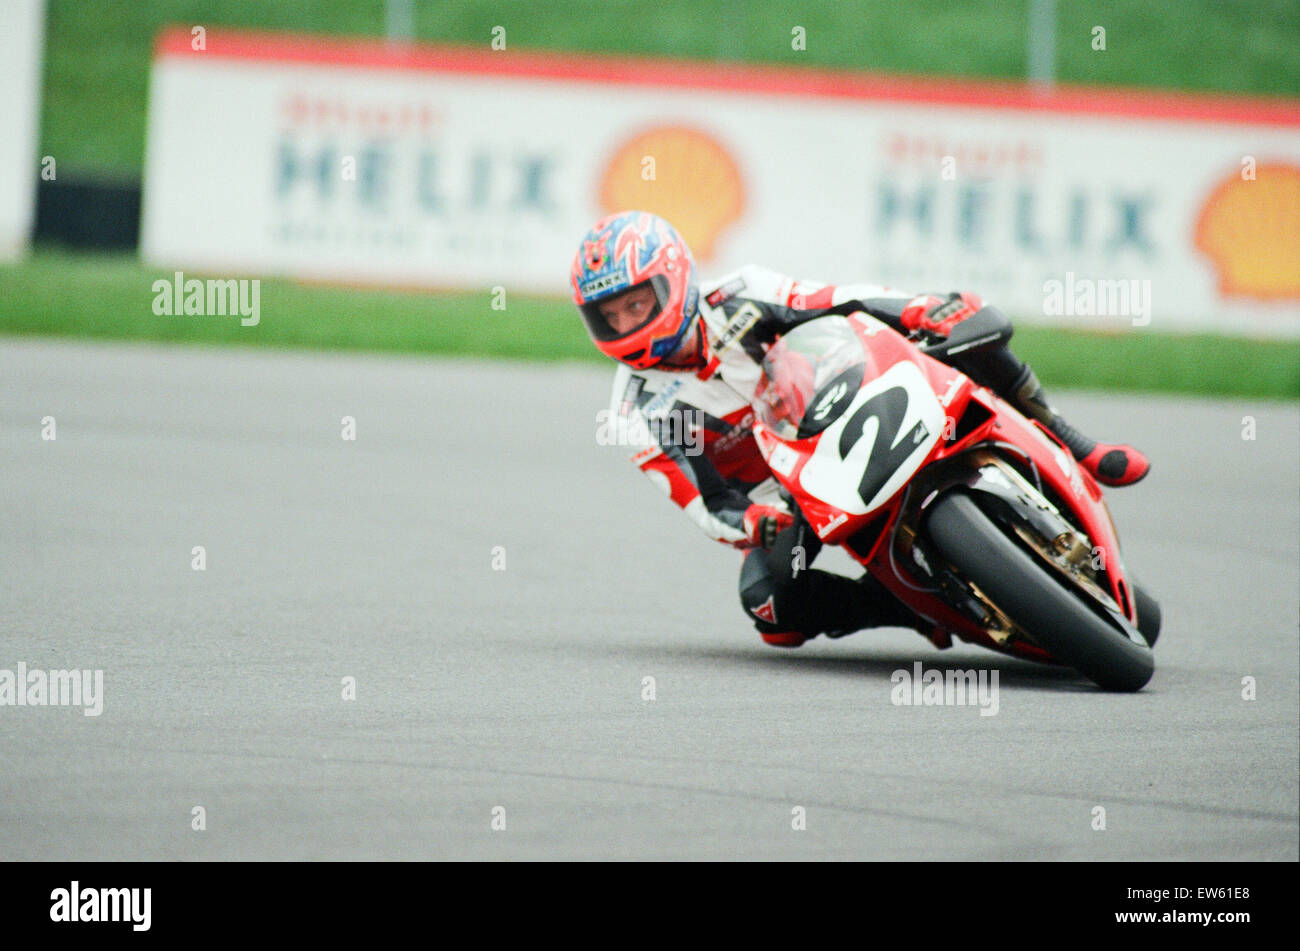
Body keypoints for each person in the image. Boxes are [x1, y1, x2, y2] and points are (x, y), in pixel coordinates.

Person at [572, 210, 1149, 648]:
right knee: (770, 610)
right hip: (794, 492)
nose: (626, 323)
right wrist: (753, 522)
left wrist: (922, 309)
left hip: (851, 400)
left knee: (970, 324)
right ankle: (903, 606)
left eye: (637, 302)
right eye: (611, 315)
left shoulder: (742, 294)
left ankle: (1075, 443)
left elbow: (843, 301)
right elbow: (705, 503)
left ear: (673, 282)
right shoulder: (638, 411)